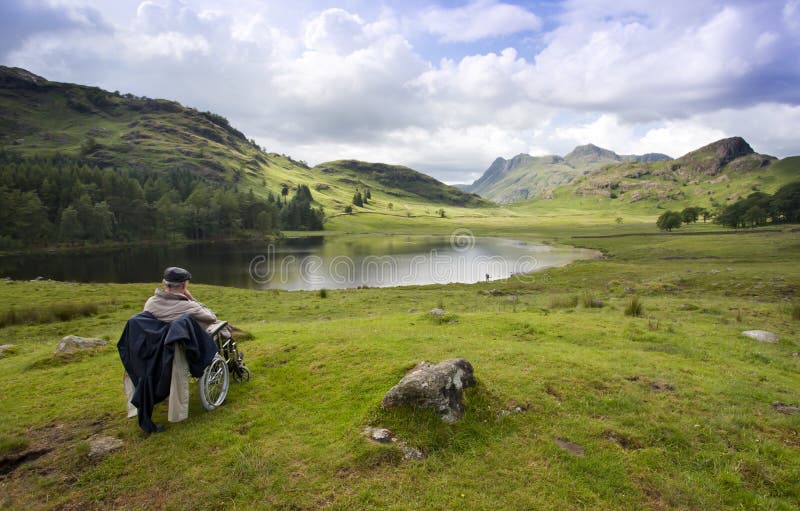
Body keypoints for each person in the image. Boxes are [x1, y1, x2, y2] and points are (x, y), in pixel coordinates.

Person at [124, 266, 217, 426]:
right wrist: (190, 298)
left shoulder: (150, 303)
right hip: (178, 354)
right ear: (184, 285)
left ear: (163, 283)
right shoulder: (188, 306)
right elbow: (211, 317)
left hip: (152, 353)